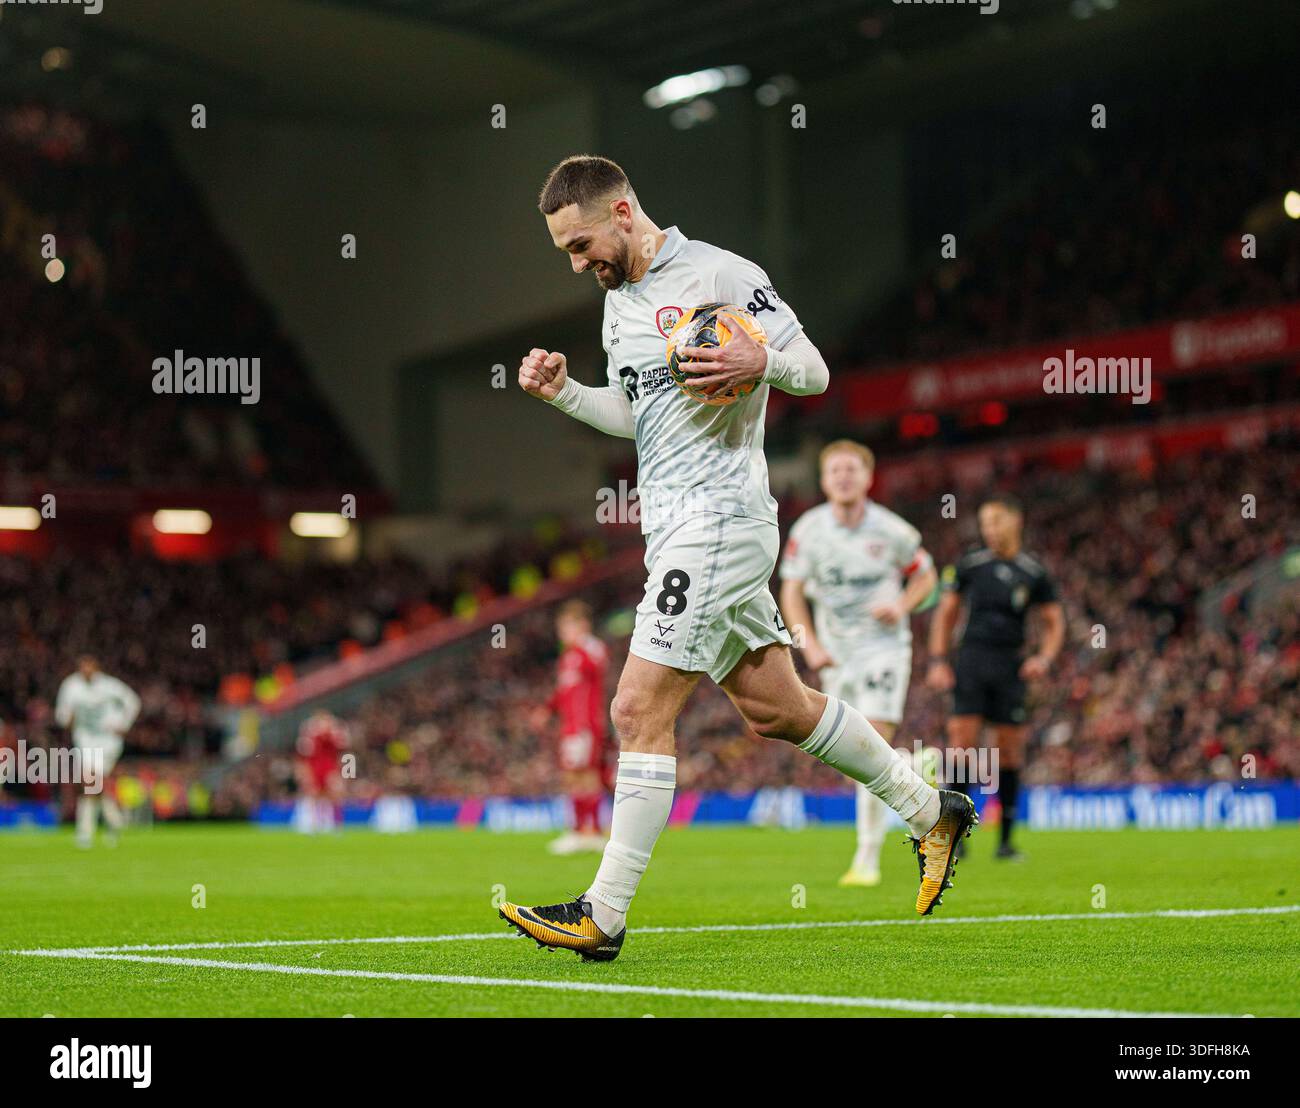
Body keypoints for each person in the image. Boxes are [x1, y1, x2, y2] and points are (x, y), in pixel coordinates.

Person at [498, 155, 976, 962]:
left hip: (720, 520)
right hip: (675, 527)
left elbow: (813, 369)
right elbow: (636, 413)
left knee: (635, 710)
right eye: (566, 255)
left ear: (621, 212)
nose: (578, 266)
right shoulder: (619, 310)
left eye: (580, 245)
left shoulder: (723, 273)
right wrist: (567, 394)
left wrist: (765, 362)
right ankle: (934, 811)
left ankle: (602, 915)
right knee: (777, 708)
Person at [779, 440, 939, 888]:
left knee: (871, 744)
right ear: (825, 479)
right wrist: (807, 646)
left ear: (869, 477)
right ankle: (914, 766)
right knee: (855, 756)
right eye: (835, 471)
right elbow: (791, 590)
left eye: (852, 470)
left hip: (883, 650)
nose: (843, 477)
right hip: (835, 654)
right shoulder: (808, 530)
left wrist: (903, 604)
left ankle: (866, 858)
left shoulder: (891, 530)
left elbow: (926, 573)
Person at [926, 495, 1065, 859]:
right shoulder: (970, 564)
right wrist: (939, 660)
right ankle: (956, 836)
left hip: (1010, 664)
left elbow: (1054, 621)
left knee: (1009, 749)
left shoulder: (1033, 571)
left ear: (1015, 521)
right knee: (962, 743)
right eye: (985, 522)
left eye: (997, 520)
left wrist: (1044, 658)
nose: (990, 528)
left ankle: (1005, 842)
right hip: (972, 659)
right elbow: (946, 614)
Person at [533, 600, 610, 854]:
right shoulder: (568, 657)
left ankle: (592, 832)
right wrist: (547, 709)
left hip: (587, 724)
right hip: (570, 725)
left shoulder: (591, 648)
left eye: (567, 627)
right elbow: (563, 690)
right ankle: (580, 830)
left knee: (587, 775)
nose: (563, 633)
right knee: (571, 776)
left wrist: (580, 643)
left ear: (582, 625)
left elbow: (598, 667)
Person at [54, 655, 140, 848]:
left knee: (91, 781)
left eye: (90, 666)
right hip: (85, 739)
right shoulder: (70, 686)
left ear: (96, 668)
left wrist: (124, 724)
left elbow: (133, 701)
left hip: (108, 740)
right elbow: (61, 715)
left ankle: (88, 830)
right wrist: (68, 719)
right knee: (91, 781)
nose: (86, 670)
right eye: (83, 667)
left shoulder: (109, 685)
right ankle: (112, 821)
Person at [294, 711, 349, 833]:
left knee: (335, 795)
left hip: (330, 768)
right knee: (314, 796)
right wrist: (304, 773)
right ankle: (316, 825)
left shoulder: (335, 732)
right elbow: (303, 755)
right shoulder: (310, 734)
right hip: (315, 769)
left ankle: (336, 825)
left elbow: (344, 751)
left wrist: (345, 772)